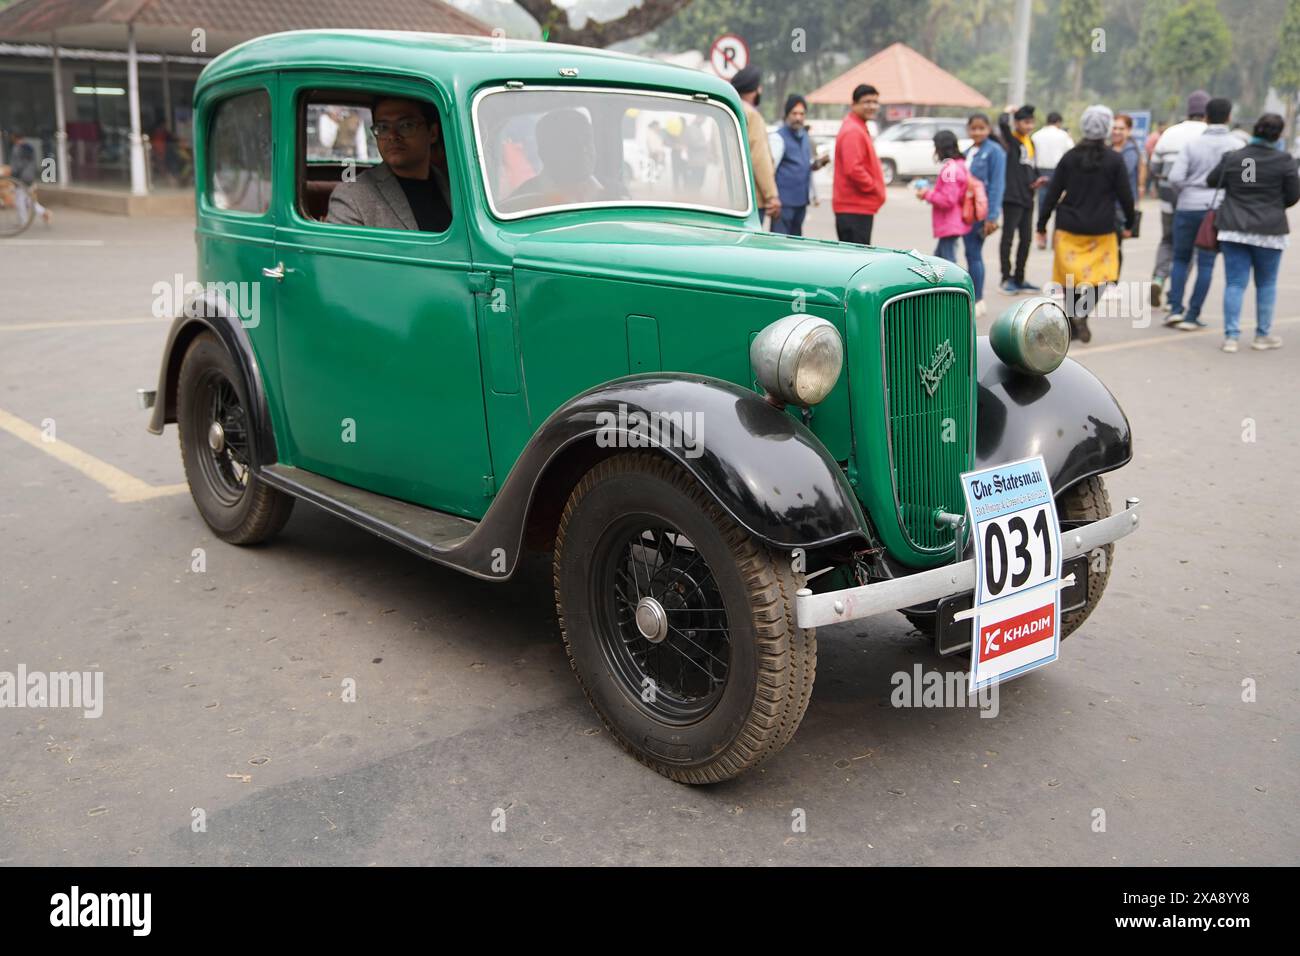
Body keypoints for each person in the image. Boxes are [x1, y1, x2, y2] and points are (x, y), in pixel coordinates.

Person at [1036, 105, 1135, 344]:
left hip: (1068, 227)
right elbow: (1126, 196)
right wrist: (1130, 223)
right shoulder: (1114, 159)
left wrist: (1041, 224)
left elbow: (1052, 193)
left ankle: (1073, 315)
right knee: (1103, 277)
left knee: (1071, 279)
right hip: (1102, 230)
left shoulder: (1069, 158)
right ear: (1107, 128)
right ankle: (1082, 314)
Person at [1204, 113, 1299, 352]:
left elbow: (1211, 181)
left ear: (1255, 129)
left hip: (1233, 229)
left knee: (1235, 283)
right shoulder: (1285, 160)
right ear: (1278, 135)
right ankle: (1261, 335)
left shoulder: (1234, 157)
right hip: (1270, 230)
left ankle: (1231, 337)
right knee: (1266, 283)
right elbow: (1292, 196)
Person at [1166, 97, 1239, 330]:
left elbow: (1175, 178)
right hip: (1217, 209)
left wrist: (1188, 192)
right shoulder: (1237, 146)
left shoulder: (1191, 144)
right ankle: (1192, 315)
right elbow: (1246, 179)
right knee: (1206, 264)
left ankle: (1175, 309)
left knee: (1180, 259)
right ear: (1229, 117)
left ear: (1206, 117)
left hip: (1188, 206)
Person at [327, 96, 452, 231]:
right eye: (383, 127)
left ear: (433, 133)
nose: (392, 136)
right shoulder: (352, 196)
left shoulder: (454, 183)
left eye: (406, 125)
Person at [1148, 91, 1209, 307]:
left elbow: (1154, 166)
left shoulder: (1170, 132)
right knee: (1189, 246)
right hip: (1194, 199)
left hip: (1167, 195)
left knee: (1167, 239)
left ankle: (1158, 278)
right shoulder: (1208, 134)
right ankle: (1175, 293)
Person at [997, 104, 1048, 293]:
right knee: (1008, 238)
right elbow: (1002, 124)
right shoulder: (1012, 140)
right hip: (1012, 197)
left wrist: (1037, 179)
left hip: (1028, 196)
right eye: (1025, 122)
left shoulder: (1030, 142)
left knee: (1026, 239)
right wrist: (1007, 111)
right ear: (1017, 123)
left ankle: (1020, 277)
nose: (1029, 126)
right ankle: (1006, 278)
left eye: (1031, 122)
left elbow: (1030, 167)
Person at [963, 113, 1005, 317]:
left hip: (981, 213)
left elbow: (997, 184)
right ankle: (973, 296)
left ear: (988, 129)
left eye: (981, 128)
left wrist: (992, 216)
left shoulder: (995, 152)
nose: (977, 132)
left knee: (974, 254)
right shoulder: (968, 151)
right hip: (965, 213)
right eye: (974, 128)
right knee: (969, 253)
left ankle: (978, 298)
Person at [832, 84, 886, 245]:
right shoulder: (853, 131)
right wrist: (874, 187)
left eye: (875, 102)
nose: (872, 106)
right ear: (854, 104)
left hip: (856, 208)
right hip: (854, 209)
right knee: (857, 263)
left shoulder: (858, 126)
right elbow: (854, 169)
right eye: (866, 102)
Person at [769, 94, 828, 236]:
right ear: (787, 114)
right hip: (783, 204)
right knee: (779, 244)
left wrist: (818, 164)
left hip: (801, 202)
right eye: (794, 113)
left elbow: (805, 165)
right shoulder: (778, 138)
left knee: (796, 244)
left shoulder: (805, 137)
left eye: (802, 114)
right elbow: (770, 170)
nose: (798, 118)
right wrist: (772, 198)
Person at [730, 66, 780, 225]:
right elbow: (759, 157)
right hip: (750, 198)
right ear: (756, 89)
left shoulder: (728, 109)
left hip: (727, 196)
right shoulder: (752, 114)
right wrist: (771, 195)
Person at [915, 129, 969, 265]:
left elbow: (948, 200)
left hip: (949, 223)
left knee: (946, 265)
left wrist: (927, 194)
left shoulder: (950, 169)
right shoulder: (960, 164)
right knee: (938, 259)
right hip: (954, 222)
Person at [1111, 113, 1145, 274]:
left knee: (1115, 244)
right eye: (1114, 128)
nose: (1117, 131)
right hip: (1106, 203)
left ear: (1129, 131)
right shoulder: (1109, 148)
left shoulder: (1130, 152)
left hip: (1120, 206)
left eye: (1121, 128)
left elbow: (1120, 176)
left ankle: (1112, 282)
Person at [1031, 111, 1073, 213]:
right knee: (1059, 202)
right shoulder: (1063, 135)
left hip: (1040, 171)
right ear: (1058, 122)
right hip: (1058, 171)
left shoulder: (1036, 135)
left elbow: (1032, 156)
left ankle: (1041, 226)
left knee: (1042, 202)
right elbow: (1071, 152)